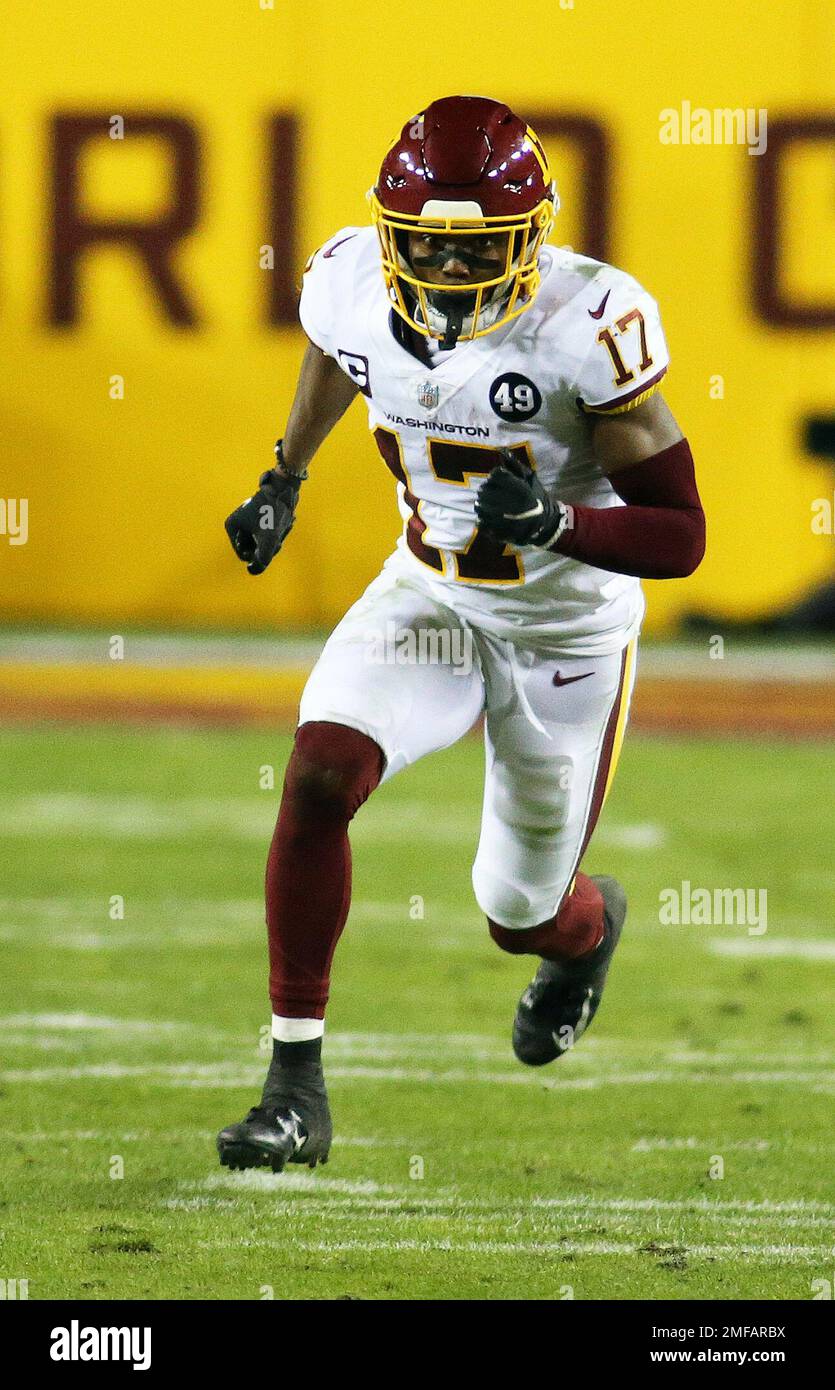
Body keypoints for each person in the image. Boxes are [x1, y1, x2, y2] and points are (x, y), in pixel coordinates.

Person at [218, 95, 705, 1172]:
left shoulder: (587, 325)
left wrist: (563, 522)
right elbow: (335, 360)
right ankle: (294, 1086)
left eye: (472, 242)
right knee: (317, 773)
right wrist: (282, 477)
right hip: (430, 596)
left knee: (518, 914)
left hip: (561, 632)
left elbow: (682, 538)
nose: (443, 262)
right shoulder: (348, 279)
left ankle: (585, 931)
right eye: (426, 238)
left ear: (529, 237)